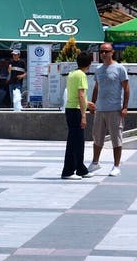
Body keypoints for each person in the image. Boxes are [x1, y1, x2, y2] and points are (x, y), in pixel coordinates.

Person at [88, 42, 129, 176]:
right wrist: (92, 104)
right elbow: (96, 87)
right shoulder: (99, 69)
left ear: (112, 52)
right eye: (101, 52)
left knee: (116, 138)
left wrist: (125, 107)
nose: (104, 54)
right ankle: (95, 163)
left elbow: (126, 88)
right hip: (100, 109)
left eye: (106, 51)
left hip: (115, 109)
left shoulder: (119, 68)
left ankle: (116, 165)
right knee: (97, 137)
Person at [61, 51, 94, 179]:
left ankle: (81, 169)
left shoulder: (72, 74)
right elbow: (80, 95)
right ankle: (68, 171)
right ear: (89, 64)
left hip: (70, 109)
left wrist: (88, 103)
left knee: (78, 141)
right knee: (75, 142)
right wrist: (84, 115)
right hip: (76, 111)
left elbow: (76, 95)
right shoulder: (81, 75)